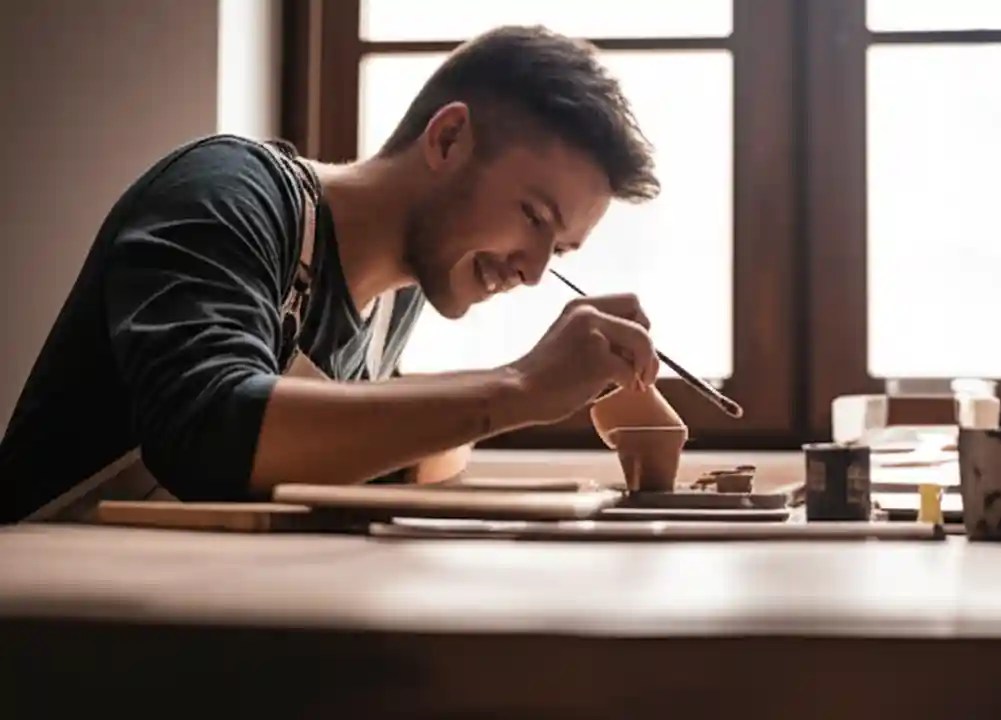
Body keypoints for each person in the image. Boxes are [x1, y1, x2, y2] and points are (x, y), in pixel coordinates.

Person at [0, 25, 663, 523]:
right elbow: (206, 437)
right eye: (533, 215)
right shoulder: (229, 193)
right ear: (448, 139)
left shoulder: (399, 305)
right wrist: (519, 387)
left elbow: (352, 458)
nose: (534, 270)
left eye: (562, 252)